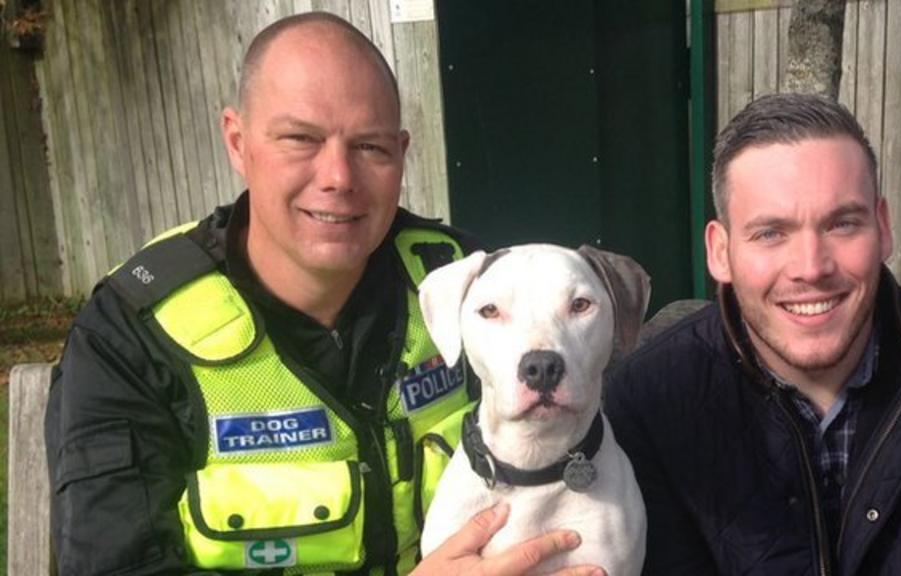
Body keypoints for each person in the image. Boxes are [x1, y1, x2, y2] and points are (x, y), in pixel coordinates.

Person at [45, 12, 603, 576]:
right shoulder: (136, 331)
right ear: (238, 142)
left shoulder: (468, 285)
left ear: (402, 155)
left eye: (370, 147)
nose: (338, 176)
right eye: (300, 139)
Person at [604, 93, 901, 575]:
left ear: (883, 229)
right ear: (720, 251)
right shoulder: (647, 401)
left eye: (842, 224)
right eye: (770, 233)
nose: (811, 267)